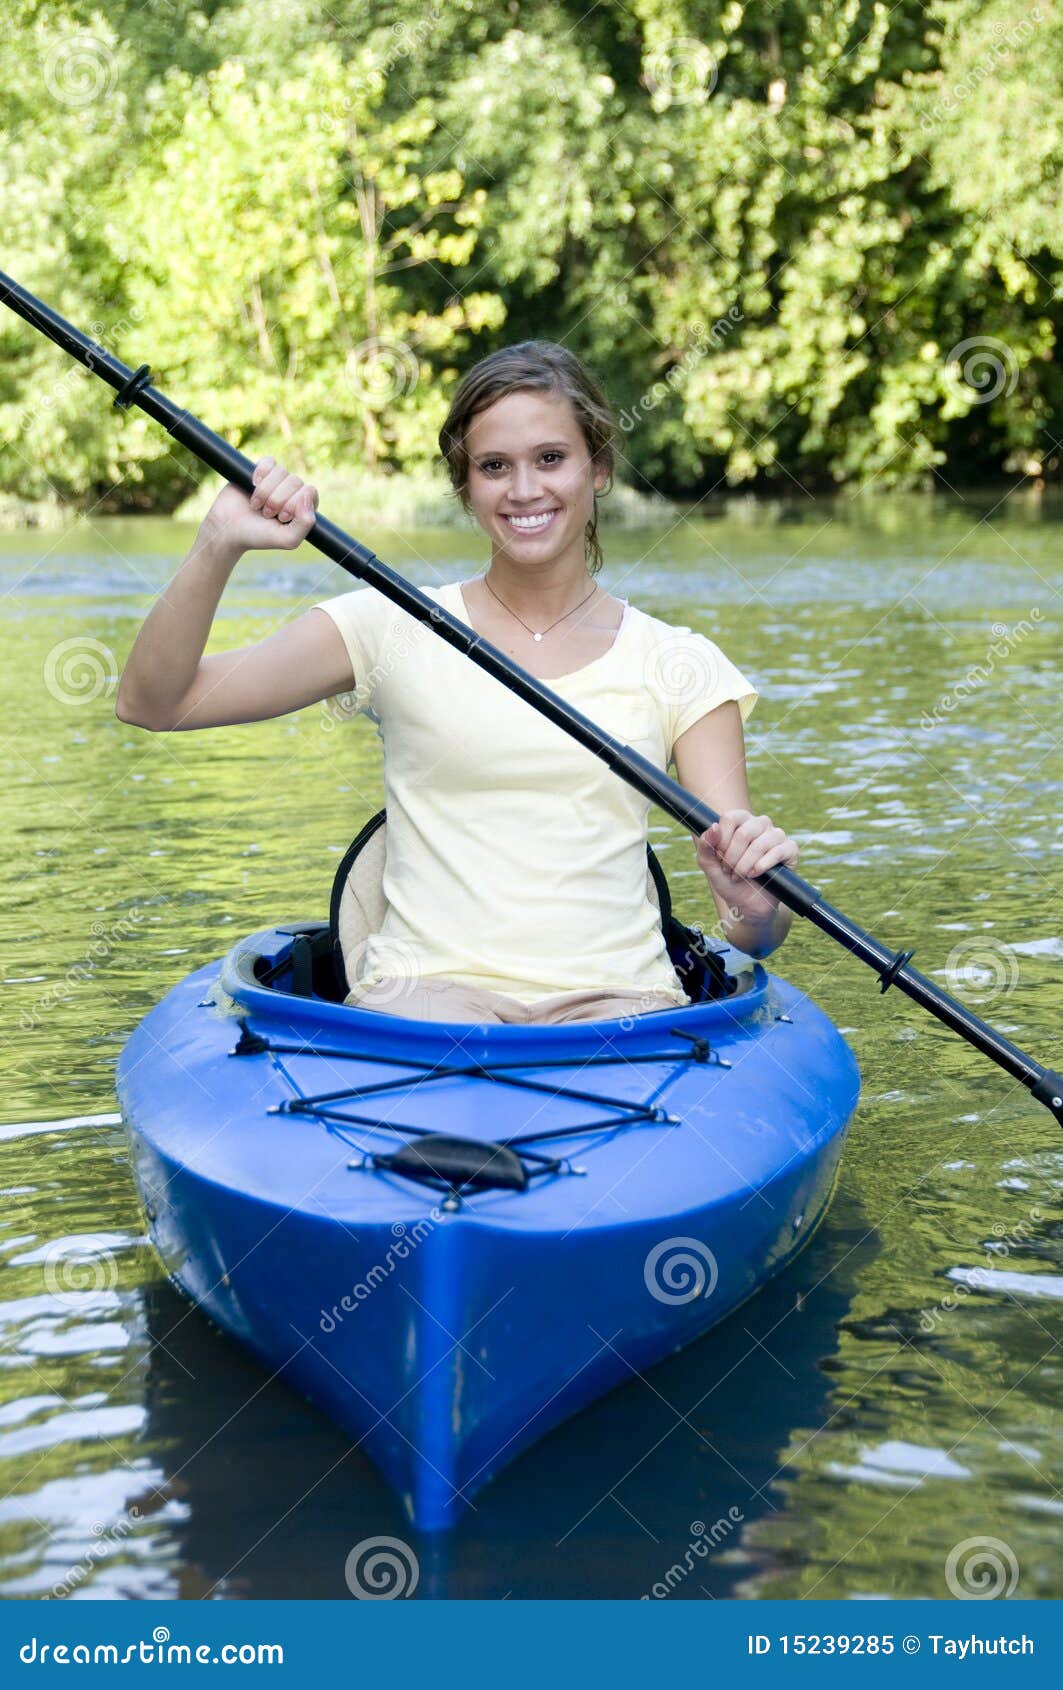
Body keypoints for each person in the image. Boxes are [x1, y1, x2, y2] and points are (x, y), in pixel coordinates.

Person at [115, 341, 799, 1025]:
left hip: (621, 1005)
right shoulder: (391, 623)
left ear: (598, 468)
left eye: (550, 458)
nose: (524, 490)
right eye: (494, 466)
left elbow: (753, 935)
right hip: (425, 1004)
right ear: (465, 485)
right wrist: (219, 541)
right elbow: (156, 703)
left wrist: (754, 905)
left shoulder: (681, 664)